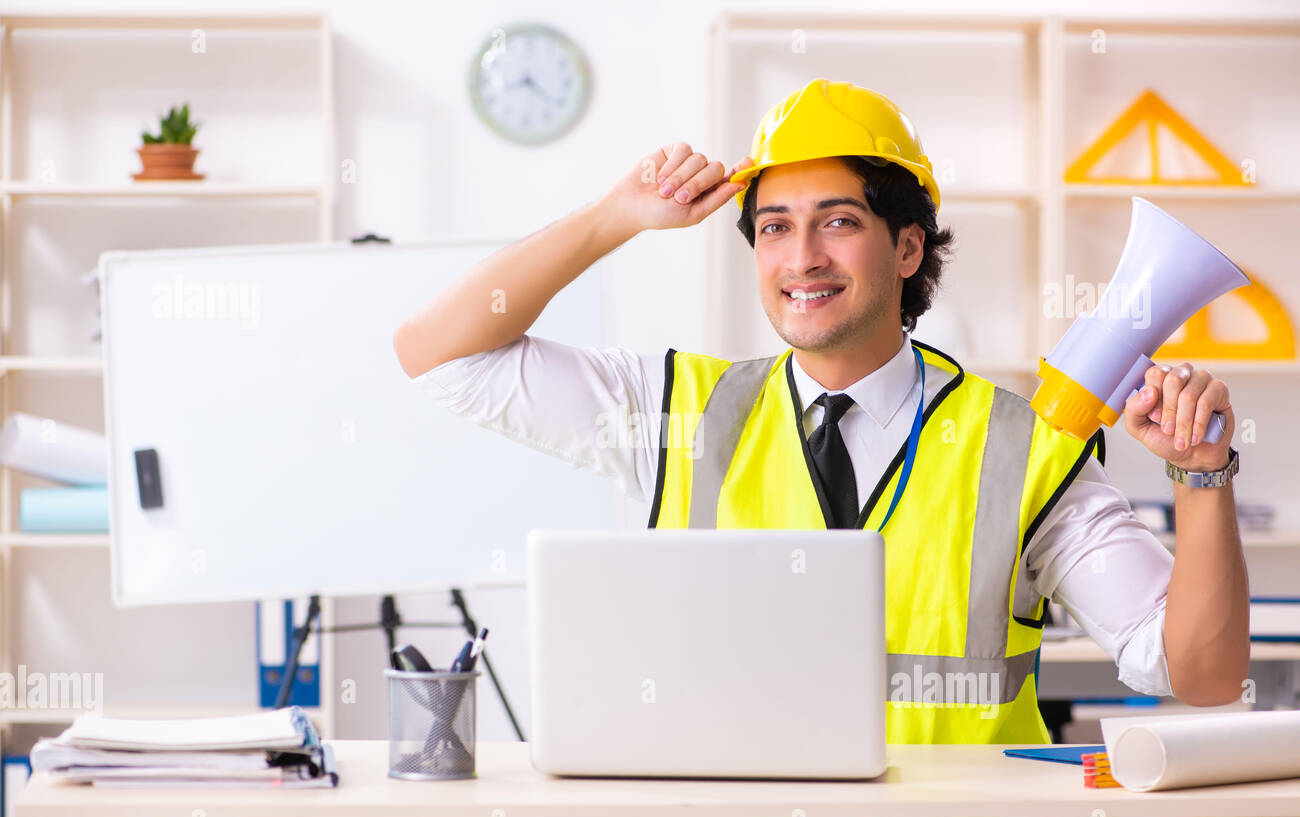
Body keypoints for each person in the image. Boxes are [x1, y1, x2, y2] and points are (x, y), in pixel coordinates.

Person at [393, 78, 1249, 744]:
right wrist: (615, 218)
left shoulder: (1023, 450)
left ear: (908, 245)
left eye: (837, 221)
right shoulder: (674, 412)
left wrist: (1202, 478)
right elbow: (439, 354)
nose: (800, 257)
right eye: (772, 227)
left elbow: (1198, 672)